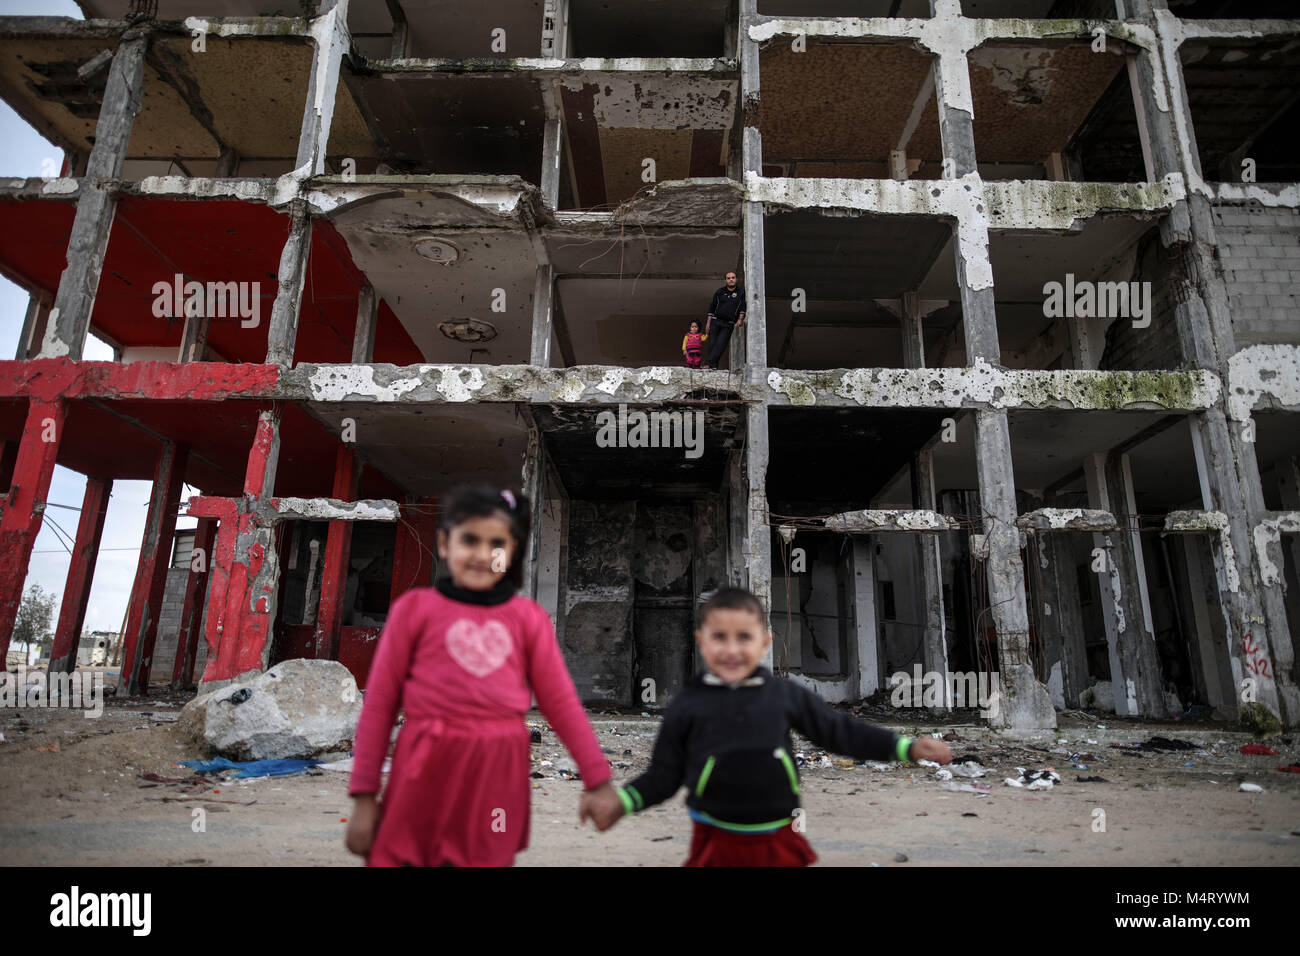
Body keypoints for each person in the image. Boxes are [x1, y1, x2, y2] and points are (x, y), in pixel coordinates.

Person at [579, 587, 952, 866]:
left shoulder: (784, 695)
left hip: (783, 831)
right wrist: (623, 801)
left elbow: (839, 732)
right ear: (702, 642)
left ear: (764, 643)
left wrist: (905, 747)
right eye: (719, 637)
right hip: (715, 835)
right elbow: (664, 775)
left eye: (744, 637)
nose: (732, 649)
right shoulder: (687, 705)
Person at [345, 485, 615, 866]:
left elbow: (561, 705)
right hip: (423, 766)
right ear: (444, 543)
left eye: (497, 544)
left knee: (488, 852)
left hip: (498, 773)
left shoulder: (528, 619)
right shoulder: (414, 610)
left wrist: (598, 780)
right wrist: (364, 796)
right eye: (469, 539)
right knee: (405, 853)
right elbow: (380, 706)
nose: (482, 554)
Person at [702, 271, 745, 369]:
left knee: (720, 344)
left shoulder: (741, 292)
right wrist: (708, 324)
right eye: (729, 278)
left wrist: (740, 319)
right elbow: (712, 307)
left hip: (729, 323)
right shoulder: (720, 292)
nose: (731, 280)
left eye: (733, 278)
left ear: (736, 279)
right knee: (712, 343)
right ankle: (713, 366)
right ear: (726, 280)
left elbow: (743, 307)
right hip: (715, 321)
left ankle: (708, 364)